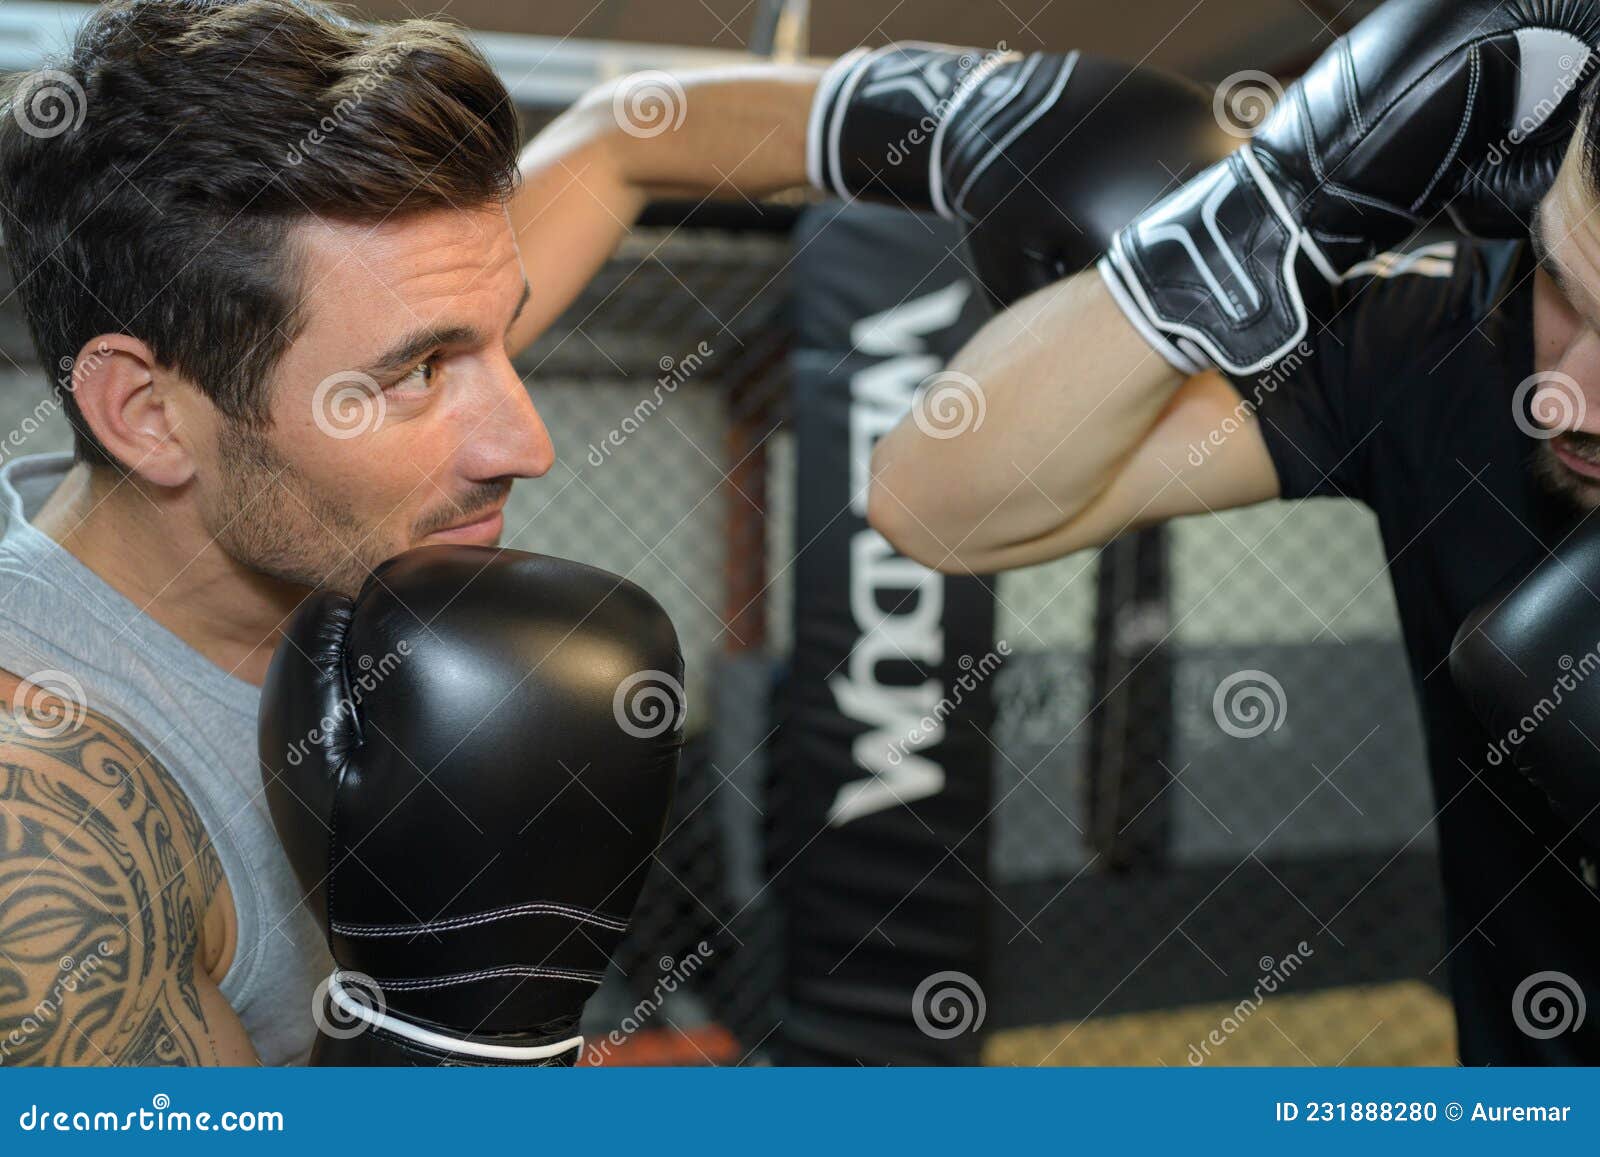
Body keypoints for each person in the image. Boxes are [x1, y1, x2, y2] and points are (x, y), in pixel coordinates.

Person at [0, 0, 820, 1065]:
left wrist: (952, 116)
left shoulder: (348, 322)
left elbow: (629, 137)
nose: (526, 444)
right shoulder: (48, 824)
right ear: (149, 413)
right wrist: (459, 1047)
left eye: (501, 334)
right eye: (423, 370)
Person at [867, 0, 1600, 1063]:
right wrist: (1272, 206)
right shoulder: (1445, 341)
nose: (1567, 397)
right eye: (1568, 292)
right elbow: (936, 497)